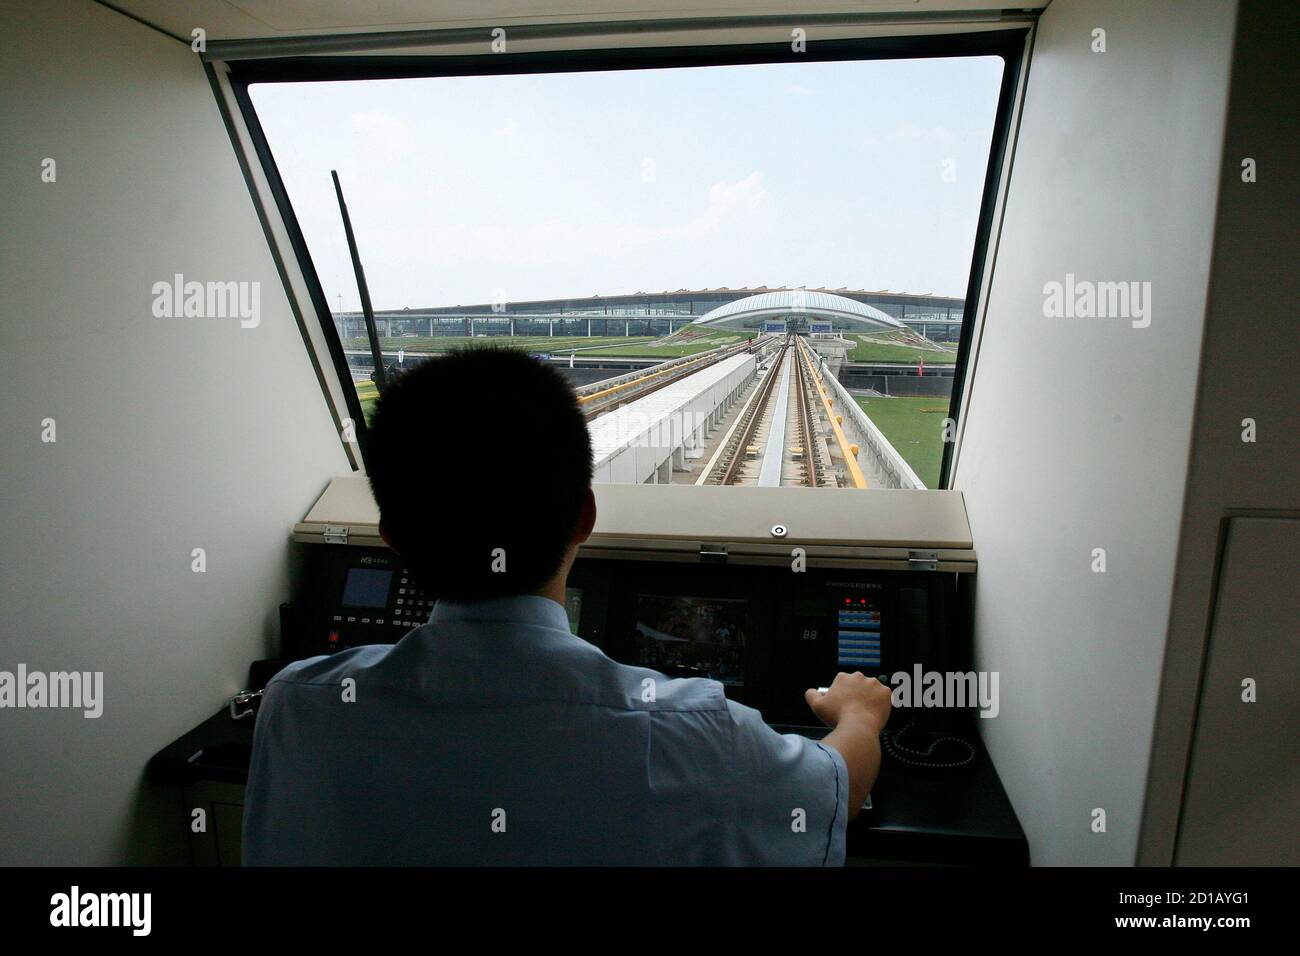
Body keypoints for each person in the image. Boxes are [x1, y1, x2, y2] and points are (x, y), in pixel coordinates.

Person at [243, 346, 891, 865]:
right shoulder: (695, 733)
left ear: (393, 543)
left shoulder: (297, 705)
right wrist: (858, 715)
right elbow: (842, 786)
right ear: (584, 514)